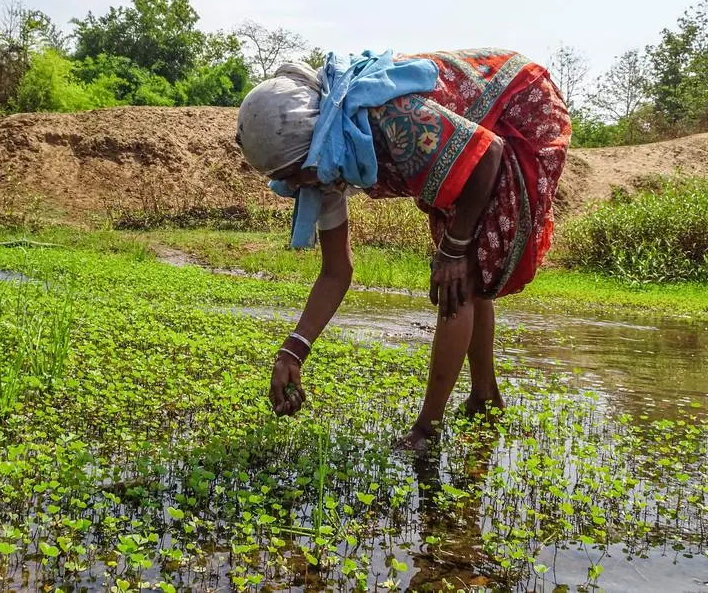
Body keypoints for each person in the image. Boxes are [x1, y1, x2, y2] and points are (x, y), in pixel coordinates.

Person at [234, 48, 570, 452]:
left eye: (295, 174)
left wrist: (456, 245)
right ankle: (485, 399)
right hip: (476, 143)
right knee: (465, 271)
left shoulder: (389, 114)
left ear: (311, 145)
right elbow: (336, 272)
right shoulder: (323, 162)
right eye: (286, 179)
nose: (299, 186)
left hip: (521, 107)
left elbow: (487, 155)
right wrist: (293, 351)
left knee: (460, 272)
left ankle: (428, 429)